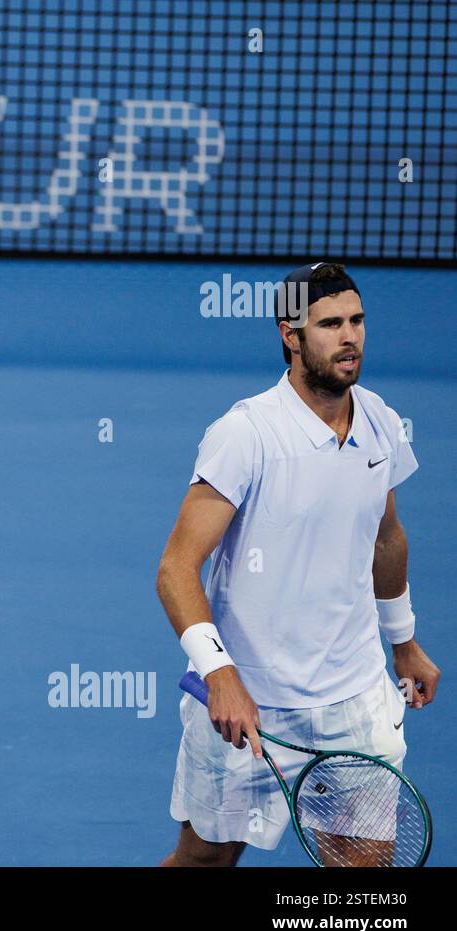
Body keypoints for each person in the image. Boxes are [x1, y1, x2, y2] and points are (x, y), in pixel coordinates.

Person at [156, 262, 441, 866]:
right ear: (291, 334)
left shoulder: (382, 423)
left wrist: (404, 643)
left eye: (358, 320)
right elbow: (177, 568)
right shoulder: (245, 434)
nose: (350, 337)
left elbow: (385, 539)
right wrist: (220, 675)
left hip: (357, 702)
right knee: (205, 860)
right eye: (330, 323)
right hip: (250, 703)